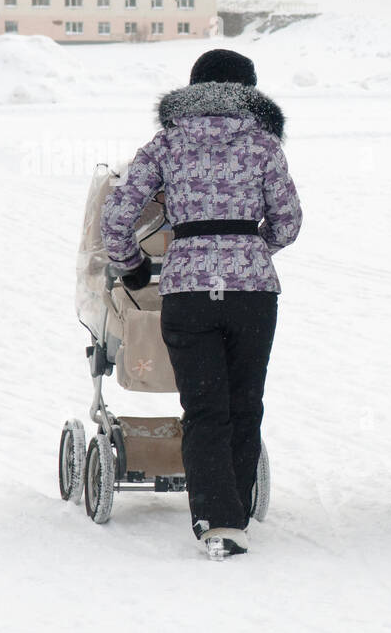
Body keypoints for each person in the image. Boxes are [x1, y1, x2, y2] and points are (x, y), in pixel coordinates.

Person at [103, 49, 301, 559]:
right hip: (253, 293)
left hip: (187, 289)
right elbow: (289, 220)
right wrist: (252, 247)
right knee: (245, 403)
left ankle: (219, 521)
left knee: (204, 408)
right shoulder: (264, 144)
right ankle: (237, 507)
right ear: (249, 91)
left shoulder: (165, 144)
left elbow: (116, 216)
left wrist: (130, 265)